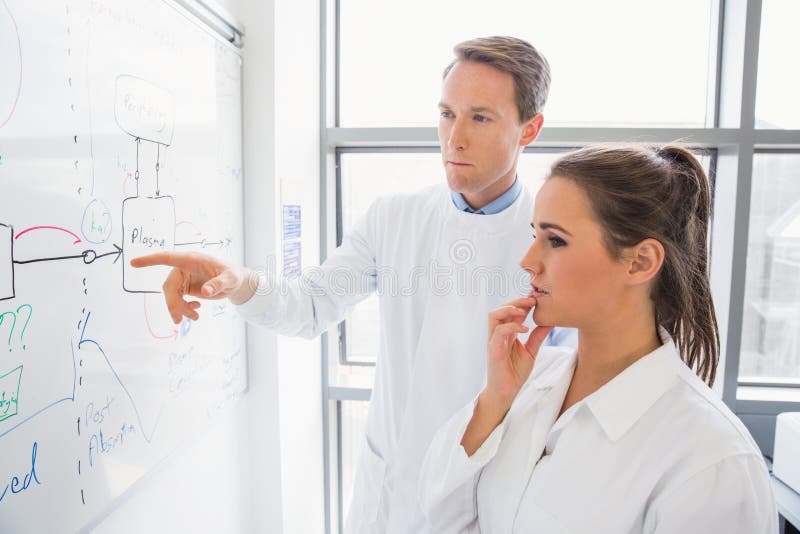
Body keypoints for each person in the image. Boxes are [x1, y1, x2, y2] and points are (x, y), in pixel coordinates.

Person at [130, 36, 576, 533]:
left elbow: (562, 404)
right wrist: (237, 282)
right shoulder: (394, 217)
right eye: (447, 114)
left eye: (480, 117)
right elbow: (310, 305)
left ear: (529, 129)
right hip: (387, 494)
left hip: (483, 505)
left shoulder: (553, 244)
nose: (454, 138)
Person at [418, 144, 778, 533]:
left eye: (555, 240)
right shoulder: (530, 379)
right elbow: (440, 516)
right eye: (535, 234)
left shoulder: (712, 460)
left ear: (640, 262)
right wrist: (495, 401)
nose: (527, 260)